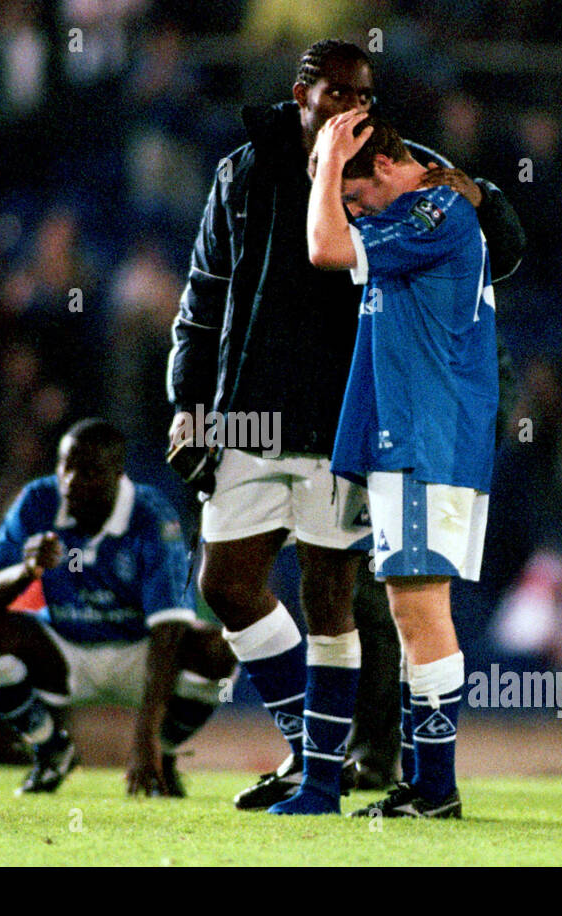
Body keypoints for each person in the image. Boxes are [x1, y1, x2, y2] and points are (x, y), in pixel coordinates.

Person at [166, 39, 524, 812]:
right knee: (230, 584)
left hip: (366, 425)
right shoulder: (247, 169)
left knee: (366, 602)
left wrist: (477, 196)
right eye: (335, 94)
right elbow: (203, 299)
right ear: (301, 92)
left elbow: (349, 243)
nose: (350, 109)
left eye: (362, 95)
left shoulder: (418, 189)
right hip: (268, 419)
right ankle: (329, 764)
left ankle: (379, 780)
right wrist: (191, 405)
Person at [306, 110, 499, 818]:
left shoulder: (432, 214)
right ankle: (426, 782)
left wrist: (328, 162)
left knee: (420, 607)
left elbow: (324, 248)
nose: (353, 210)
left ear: (384, 167)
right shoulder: (433, 204)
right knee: (410, 607)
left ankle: (438, 788)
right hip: (418, 435)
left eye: (357, 195)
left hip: (428, 436)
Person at [0, 419, 236, 796]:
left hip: (141, 657)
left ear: (117, 475)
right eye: (65, 466)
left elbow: (168, 629)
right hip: (64, 654)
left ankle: (164, 755)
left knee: (220, 650)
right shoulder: (39, 500)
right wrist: (27, 570)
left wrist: (145, 738)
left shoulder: (152, 514)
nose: (71, 481)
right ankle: (51, 748)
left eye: (87, 471)